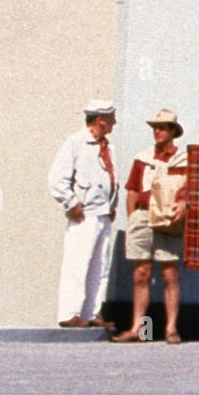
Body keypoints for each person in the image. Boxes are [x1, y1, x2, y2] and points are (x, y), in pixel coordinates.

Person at [113, 109, 188, 344]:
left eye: (163, 127)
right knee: (141, 273)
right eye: (155, 127)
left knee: (169, 274)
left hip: (167, 218)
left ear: (173, 131)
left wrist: (184, 206)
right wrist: (133, 217)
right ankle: (140, 329)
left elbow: (191, 190)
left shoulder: (183, 159)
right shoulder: (143, 158)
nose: (158, 131)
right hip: (143, 217)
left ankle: (171, 328)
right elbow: (132, 190)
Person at [48, 99, 119, 328]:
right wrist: (71, 203)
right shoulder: (75, 143)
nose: (114, 122)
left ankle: (91, 313)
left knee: (100, 266)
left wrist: (112, 205)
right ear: (100, 119)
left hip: (103, 213)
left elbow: (110, 179)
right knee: (77, 264)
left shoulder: (108, 147)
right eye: (110, 118)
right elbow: (57, 179)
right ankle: (69, 313)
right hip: (84, 214)